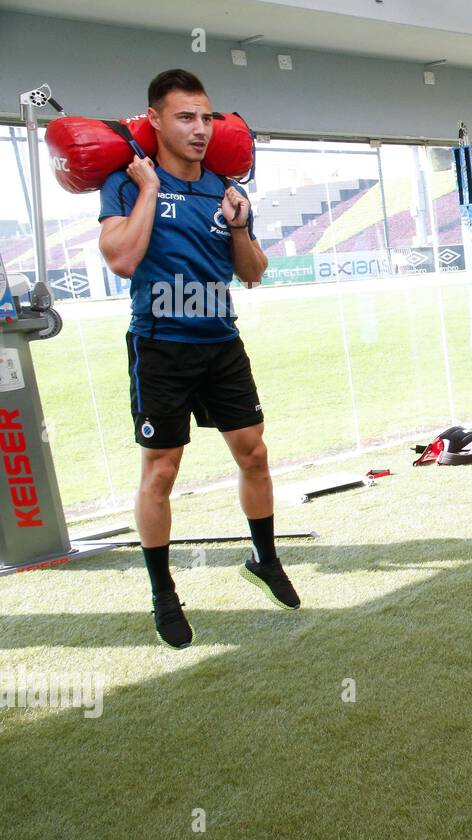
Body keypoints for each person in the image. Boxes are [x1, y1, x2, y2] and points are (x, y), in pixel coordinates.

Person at [98, 69, 300, 649]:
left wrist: (240, 227)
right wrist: (150, 190)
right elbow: (122, 260)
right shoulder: (126, 182)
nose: (200, 128)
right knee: (161, 470)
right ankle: (163, 592)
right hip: (160, 345)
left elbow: (254, 273)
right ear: (155, 120)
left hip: (221, 342)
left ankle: (264, 558)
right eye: (185, 117)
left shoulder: (224, 189)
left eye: (206, 117)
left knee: (254, 453)